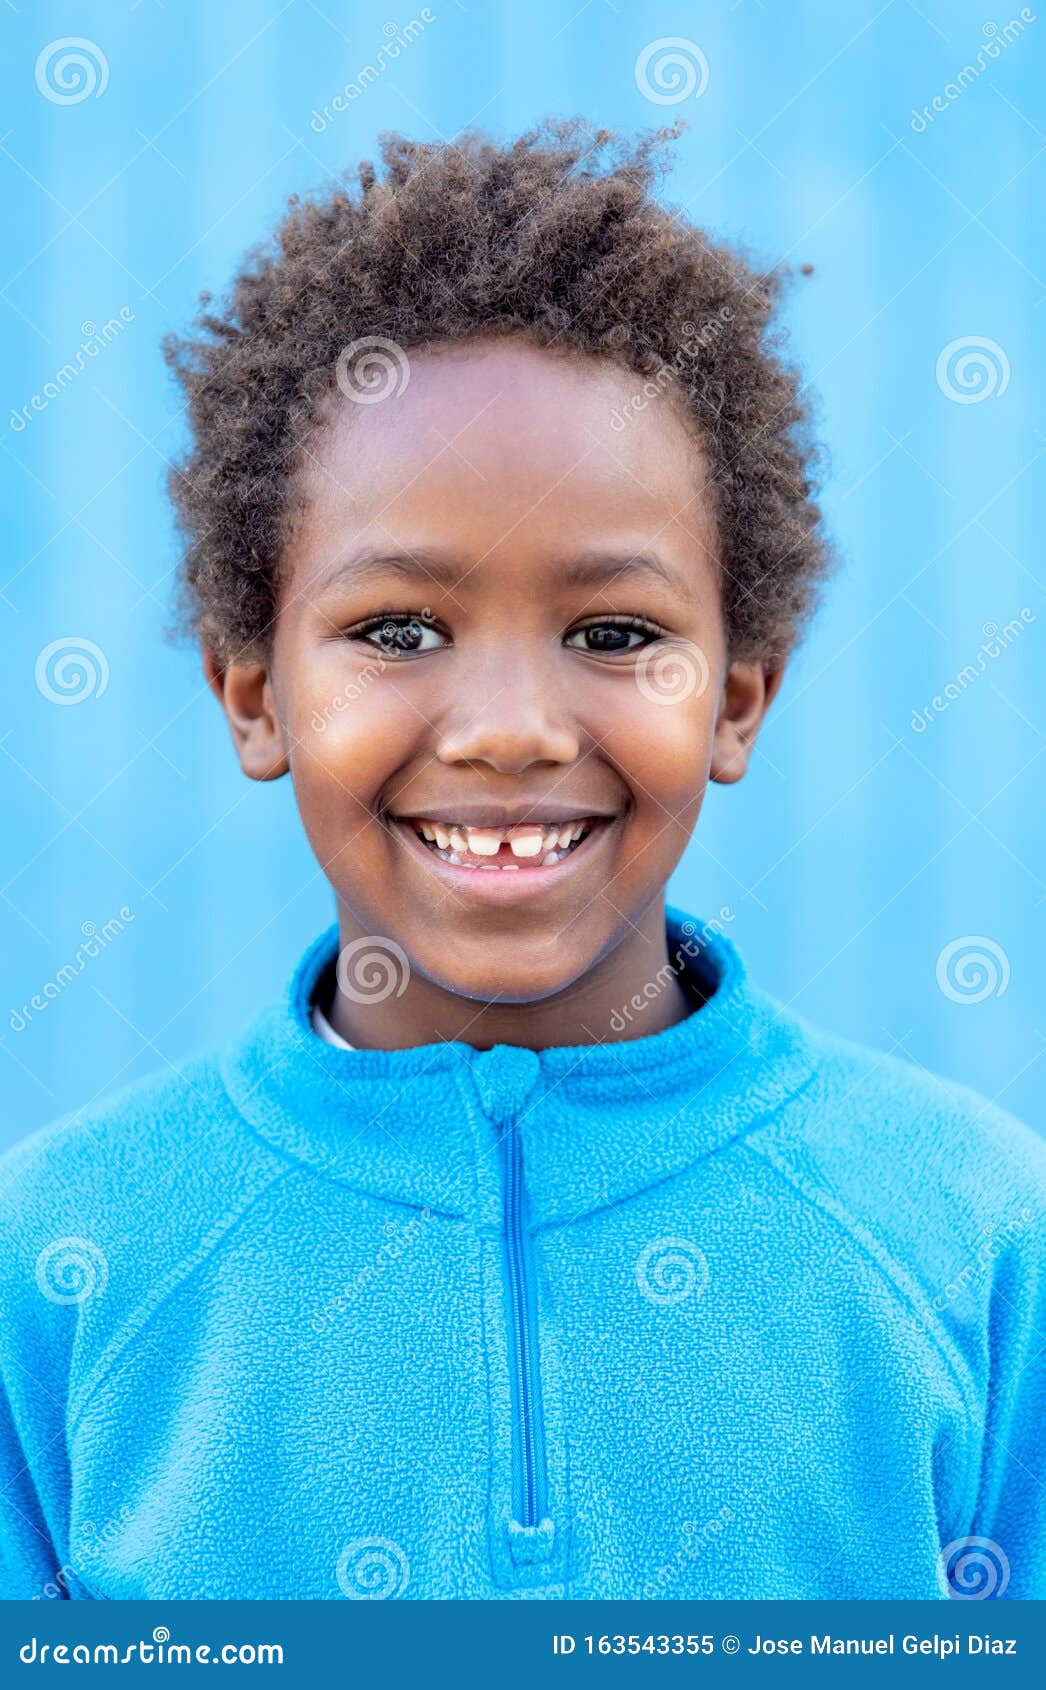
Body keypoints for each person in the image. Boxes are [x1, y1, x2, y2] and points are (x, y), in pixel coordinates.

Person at [1, 120, 1042, 1602]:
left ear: (737, 696)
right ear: (253, 693)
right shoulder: (60, 1265)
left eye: (613, 633)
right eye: (397, 630)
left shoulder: (979, 1240)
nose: (506, 730)